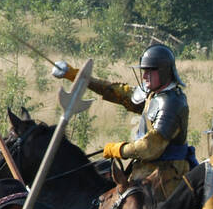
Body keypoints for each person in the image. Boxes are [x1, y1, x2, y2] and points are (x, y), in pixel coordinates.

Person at [55, 45, 194, 198]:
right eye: (144, 71)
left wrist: (119, 149)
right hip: (146, 169)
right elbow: (116, 91)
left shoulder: (172, 103)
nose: (144, 76)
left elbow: (149, 148)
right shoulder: (154, 93)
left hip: (166, 180)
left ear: (164, 72)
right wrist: (75, 75)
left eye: (149, 71)